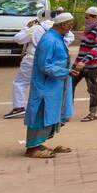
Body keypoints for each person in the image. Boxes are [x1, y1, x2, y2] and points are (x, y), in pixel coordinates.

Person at [22, 12, 76, 159]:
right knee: (41, 114)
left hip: (55, 86)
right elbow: (44, 65)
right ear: (63, 24)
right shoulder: (49, 40)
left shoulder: (57, 38)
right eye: (70, 24)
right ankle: (32, 148)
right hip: (45, 87)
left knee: (50, 113)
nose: (71, 27)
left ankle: (39, 143)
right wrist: (66, 71)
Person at [6, 9, 71, 119]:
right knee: (48, 85)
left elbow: (18, 39)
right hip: (53, 59)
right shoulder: (58, 28)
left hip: (32, 58)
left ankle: (19, 107)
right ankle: (55, 109)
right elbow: (70, 38)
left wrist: (26, 28)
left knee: (20, 83)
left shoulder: (36, 28)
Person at [73, 7, 97, 122]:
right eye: (85, 17)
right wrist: (78, 61)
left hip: (91, 65)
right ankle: (66, 111)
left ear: (95, 17)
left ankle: (93, 113)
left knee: (92, 88)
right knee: (68, 86)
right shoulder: (88, 29)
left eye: (88, 17)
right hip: (79, 63)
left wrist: (84, 61)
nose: (85, 19)